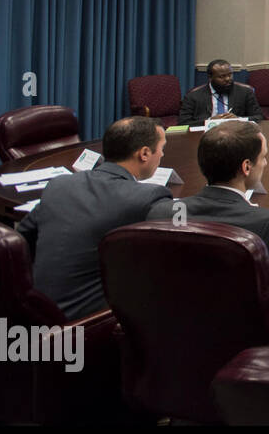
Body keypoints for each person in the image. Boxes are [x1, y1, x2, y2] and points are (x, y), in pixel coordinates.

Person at [16, 117, 173, 320]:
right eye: (161, 148)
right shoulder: (148, 197)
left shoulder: (59, 185)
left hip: (32, 313)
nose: (162, 154)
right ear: (144, 153)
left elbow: (21, 240)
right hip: (86, 326)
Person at [147, 121, 269, 289]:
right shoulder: (268, 224)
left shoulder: (164, 212)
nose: (265, 164)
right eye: (263, 157)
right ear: (246, 166)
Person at [178, 59, 263, 126]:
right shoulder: (193, 96)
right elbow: (183, 123)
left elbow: (259, 117)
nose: (227, 79)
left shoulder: (245, 92)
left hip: (236, 134)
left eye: (230, 75)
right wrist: (209, 121)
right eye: (222, 76)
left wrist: (238, 119)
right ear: (210, 77)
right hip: (205, 135)